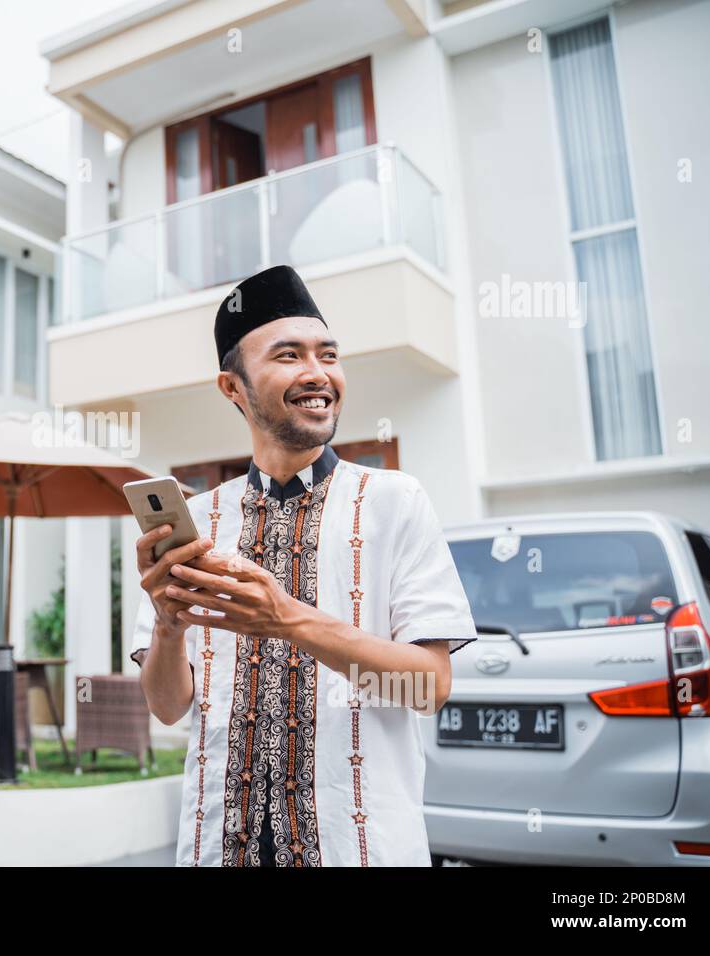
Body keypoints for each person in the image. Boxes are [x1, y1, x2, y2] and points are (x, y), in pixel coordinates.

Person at [131, 264, 477, 867]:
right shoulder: (199, 522)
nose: (319, 375)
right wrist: (168, 626)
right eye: (288, 356)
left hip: (359, 850)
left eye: (329, 355)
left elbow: (428, 687)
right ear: (233, 388)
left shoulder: (395, 502)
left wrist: (288, 619)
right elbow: (166, 707)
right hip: (220, 848)